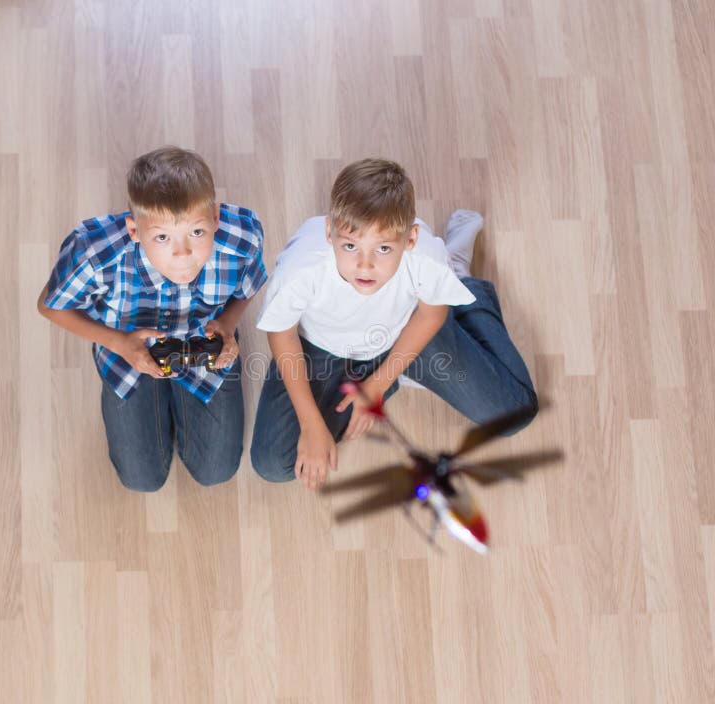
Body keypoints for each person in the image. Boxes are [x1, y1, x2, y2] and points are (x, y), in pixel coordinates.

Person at [250, 158, 537, 491]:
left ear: (410, 239)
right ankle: (398, 373)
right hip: (321, 348)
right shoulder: (302, 269)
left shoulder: (424, 257)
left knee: (515, 413)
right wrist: (312, 424)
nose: (365, 264)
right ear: (329, 232)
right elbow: (281, 333)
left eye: (384, 248)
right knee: (273, 463)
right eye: (350, 246)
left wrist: (375, 388)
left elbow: (430, 315)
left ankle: (459, 279)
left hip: (404, 330)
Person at [38, 146, 267, 491]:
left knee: (216, 472)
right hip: (127, 349)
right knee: (142, 480)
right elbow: (50, 305)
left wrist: (230, 324)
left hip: (205, 342)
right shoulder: (95, 252)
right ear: (134, 230)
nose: (182, 253)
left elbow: (249, 284)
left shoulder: (242, 239)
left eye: (197, 232)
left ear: (216, 219)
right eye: (162, 237)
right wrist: (117, 343)